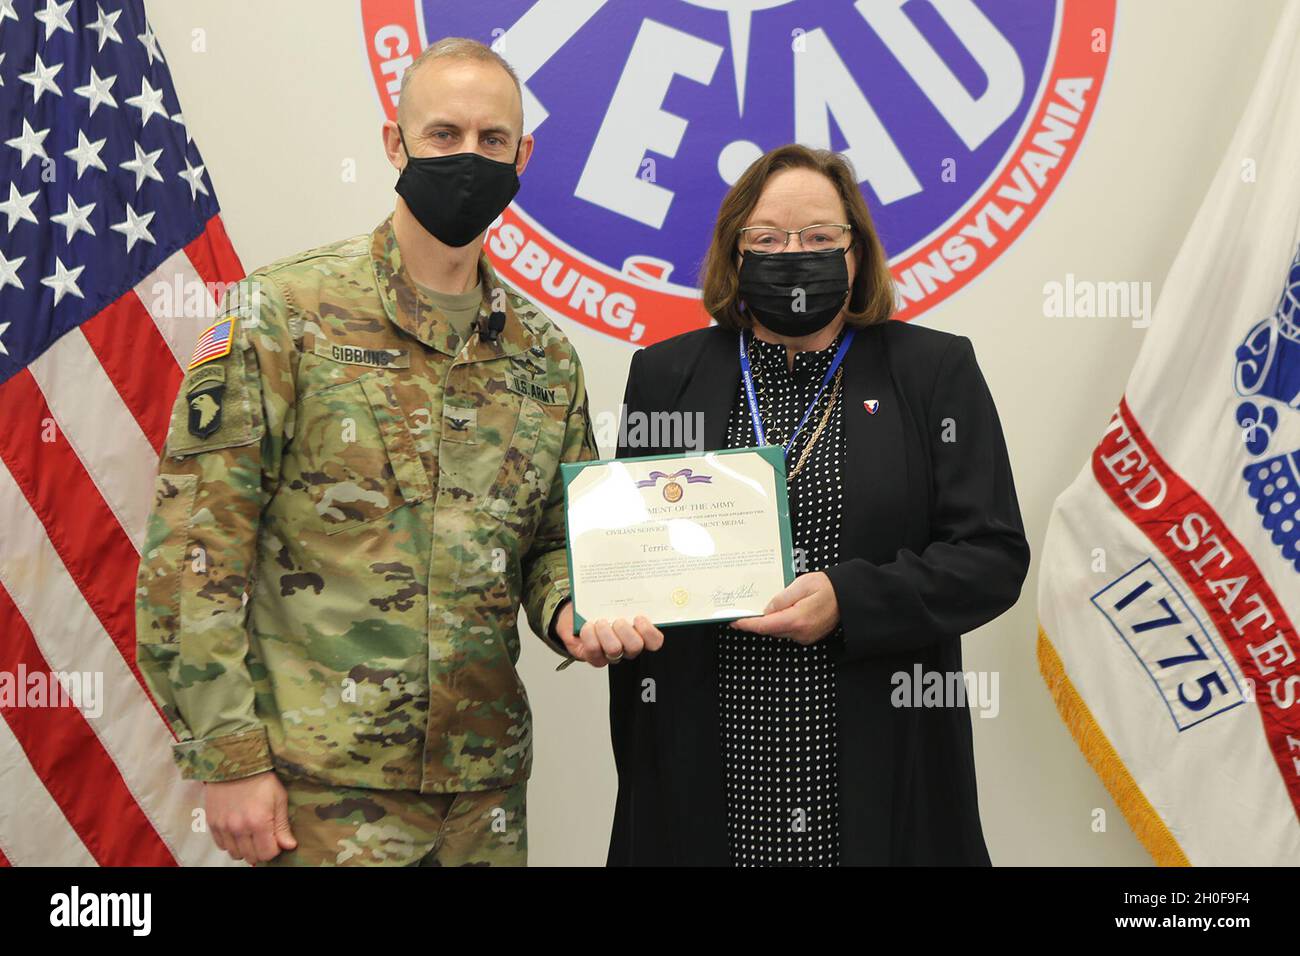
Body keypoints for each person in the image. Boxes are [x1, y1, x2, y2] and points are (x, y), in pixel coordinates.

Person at [134, 37, 662, 868]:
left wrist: (573, 612)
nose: (468, 157)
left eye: (493, 141)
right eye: (444, 135)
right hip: (321, 792)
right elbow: (196, 549)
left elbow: (555, 544)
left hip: (483, 792)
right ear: (395, 143)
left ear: (522, 155)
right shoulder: (283, 313)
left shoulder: (543, 355)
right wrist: (228, 759)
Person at [606, 144, 1030, 866]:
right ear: (735, 254)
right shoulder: (666, 376)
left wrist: (850, 597)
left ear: (855, 253)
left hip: (877, 771)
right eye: (766, 238)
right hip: (708, 776)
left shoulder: (932, 372)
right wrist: (607, 608)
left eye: (818, 238)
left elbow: (992, 556)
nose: (791, 253)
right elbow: (627, 561)